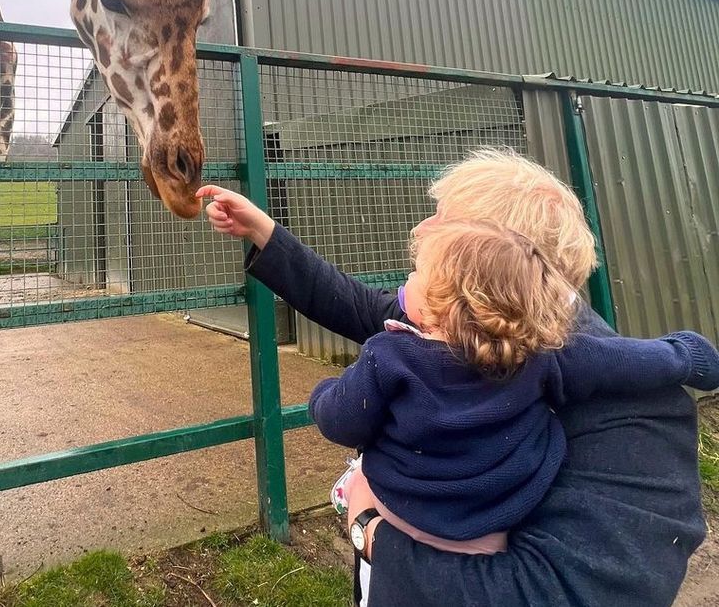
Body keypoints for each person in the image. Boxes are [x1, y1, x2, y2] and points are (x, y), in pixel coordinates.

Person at [196, 148, 709, 606]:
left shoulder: (639, 415)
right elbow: (357, 305)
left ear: (493, 260)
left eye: (440, 221)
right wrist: (266, 233)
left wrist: (368, 530)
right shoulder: (463, 328)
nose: (419, 230)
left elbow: (559, 591)